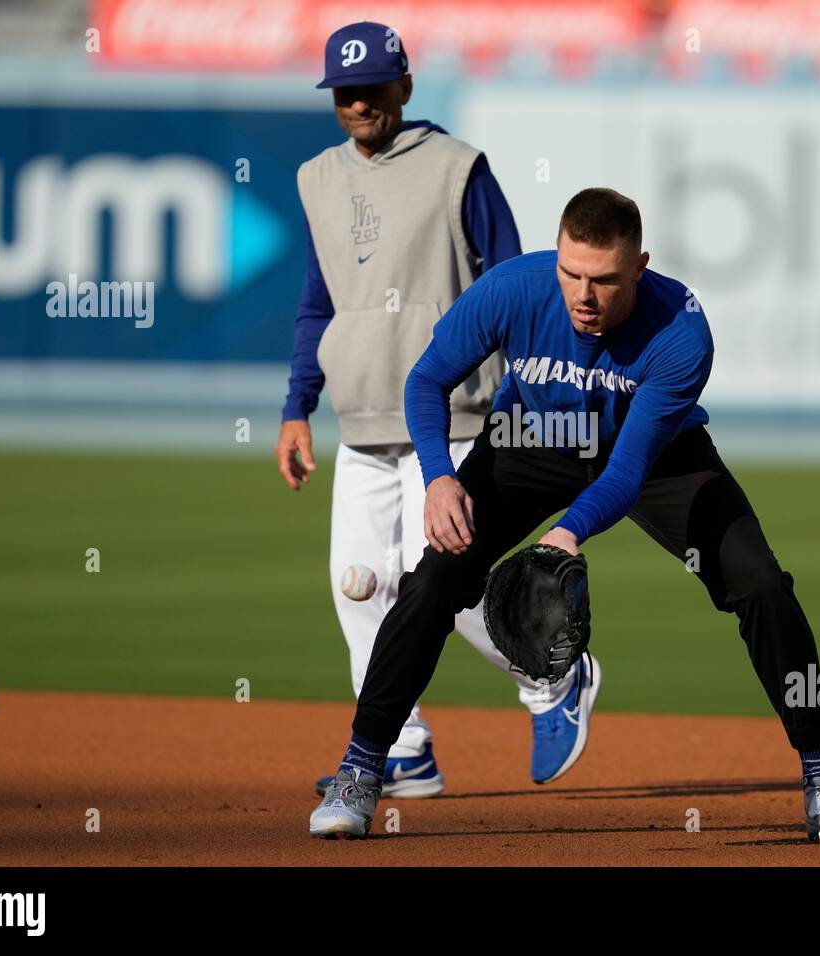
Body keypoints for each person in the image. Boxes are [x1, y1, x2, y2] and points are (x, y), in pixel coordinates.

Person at [310, 188, 820, 846]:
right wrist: (438, 477)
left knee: (762, 584)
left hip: (660, 457)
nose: (583, 294)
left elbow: (626, 474)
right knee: (433, 581)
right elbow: (426, 379)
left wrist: (566, 533)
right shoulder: (513, 288)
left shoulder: (680, 330)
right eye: (571, 273)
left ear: (639, 267)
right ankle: (361, 770)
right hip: (530, 440)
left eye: (604, 280)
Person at [277, 21, 600, 801]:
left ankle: (553, 672)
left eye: (373, 87)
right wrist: (297, 406)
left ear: (405, 87)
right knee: (358, 583)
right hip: (359, 418)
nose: (358, 102)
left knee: (442, 587)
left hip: (451, 413)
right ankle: (405, 750)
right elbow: (320, 302)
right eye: (344, 91)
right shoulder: (317, 177)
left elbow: (518, 281)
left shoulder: (458, 168)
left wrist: (533, 390)